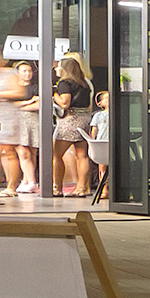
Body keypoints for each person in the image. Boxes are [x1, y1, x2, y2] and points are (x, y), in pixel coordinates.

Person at [0, 57, 40, 197]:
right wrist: (27, 103)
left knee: (21, 152)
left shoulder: (17, 80)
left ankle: (23, 183)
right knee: (3, 152)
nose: (27, 73)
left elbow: (35, 102)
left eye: (29, 71)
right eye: (24, 71)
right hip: (5, 119)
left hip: (21, 121)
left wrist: (20, 104)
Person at [48, 53, 98, 197]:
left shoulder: (65, 83)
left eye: (59, 67)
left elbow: (65, 102)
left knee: (56, 155)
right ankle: (81, 188)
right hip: (84, 119)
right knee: (82, 156)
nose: (57, 69)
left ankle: (57, 187)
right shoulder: (84, 83)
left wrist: (54, 94)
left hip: (70, 120)